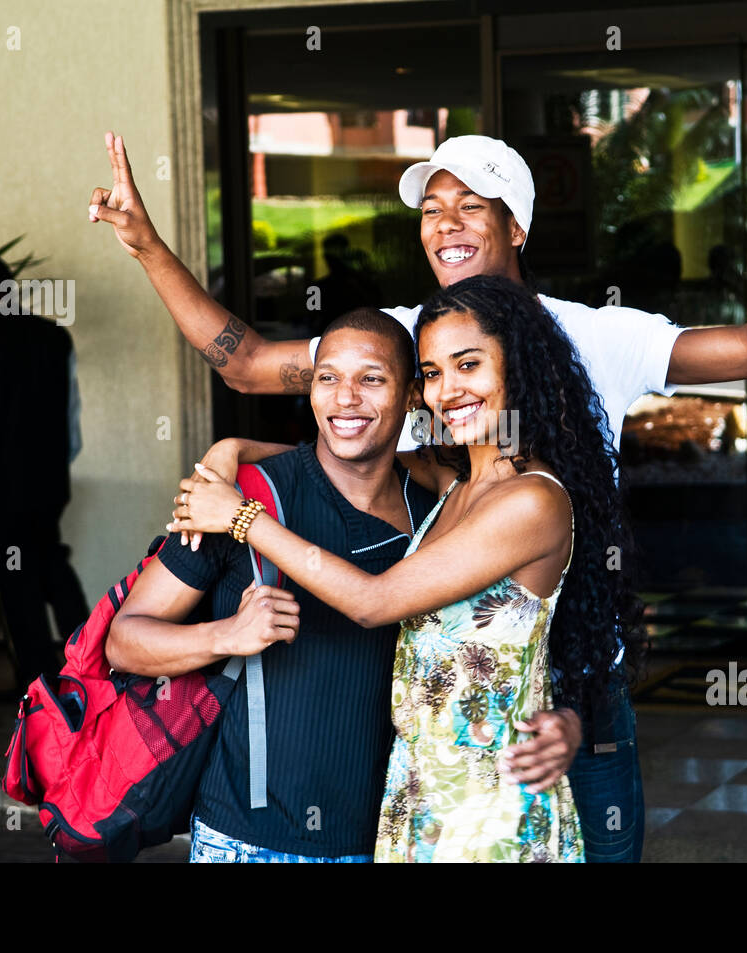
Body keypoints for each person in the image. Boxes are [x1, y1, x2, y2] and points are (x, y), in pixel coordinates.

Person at [88, 107, 747, 862]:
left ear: (516, 227)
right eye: (431, 208)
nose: (446, 223)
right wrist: (152, 259)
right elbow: (260, 370)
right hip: (446, 728)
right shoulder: (405, 345)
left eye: (471, 205)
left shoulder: (592, 341)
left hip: (572, 689)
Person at [171, 276, 639, 862]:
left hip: (488, 810)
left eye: (469, 365)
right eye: (435, 373)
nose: (450, 390)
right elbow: (352, 445)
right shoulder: (455, 481)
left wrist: (242, 517)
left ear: (517, 368)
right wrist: (232, 449)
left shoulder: (531, 502)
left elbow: (373, 602)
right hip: (416, 801)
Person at [0, 254, 88, 691]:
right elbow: (71, 418)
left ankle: (36, 681)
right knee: (51, 566)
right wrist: (57, 465)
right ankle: (90, 661)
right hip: (48, 483)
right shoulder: (55, 338)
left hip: (1, 488)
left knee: (17, 581)